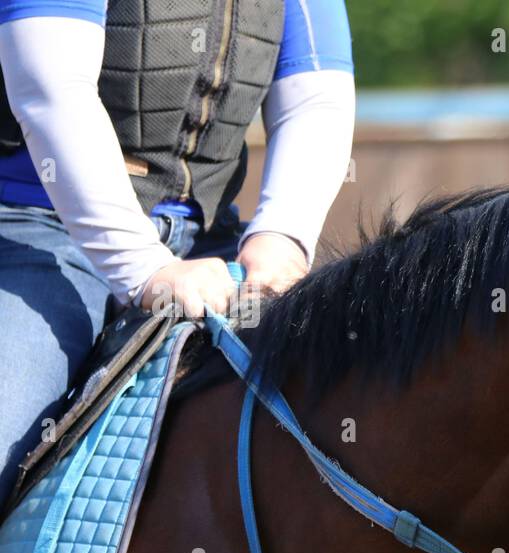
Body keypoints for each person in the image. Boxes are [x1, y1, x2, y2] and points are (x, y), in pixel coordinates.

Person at [0, 0, 356, 504]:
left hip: (211, 238)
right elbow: (50, 86)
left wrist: (281, 236)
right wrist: (144, 266)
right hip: (38, 230)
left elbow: (313, 100)